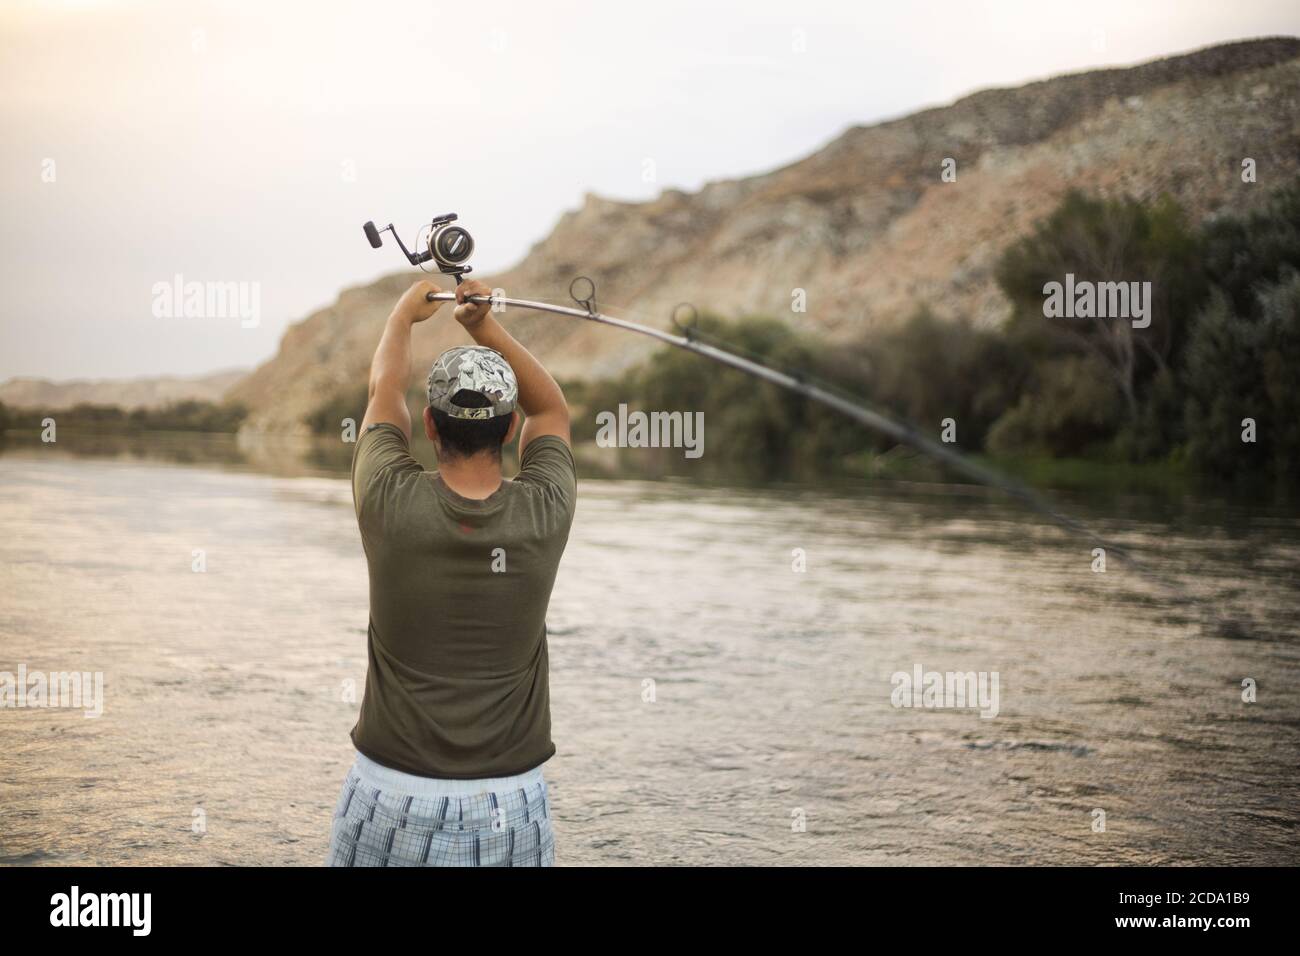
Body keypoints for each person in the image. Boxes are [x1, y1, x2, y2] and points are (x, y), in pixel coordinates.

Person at [326, 278, 576, 867]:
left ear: (430, 427)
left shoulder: (385, 499)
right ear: (511, 430)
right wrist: (481, 324)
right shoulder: (546, 510)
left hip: (388, 793)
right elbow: (552, 409)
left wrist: (401, 319)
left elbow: (384, 392)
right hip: (509, 802)